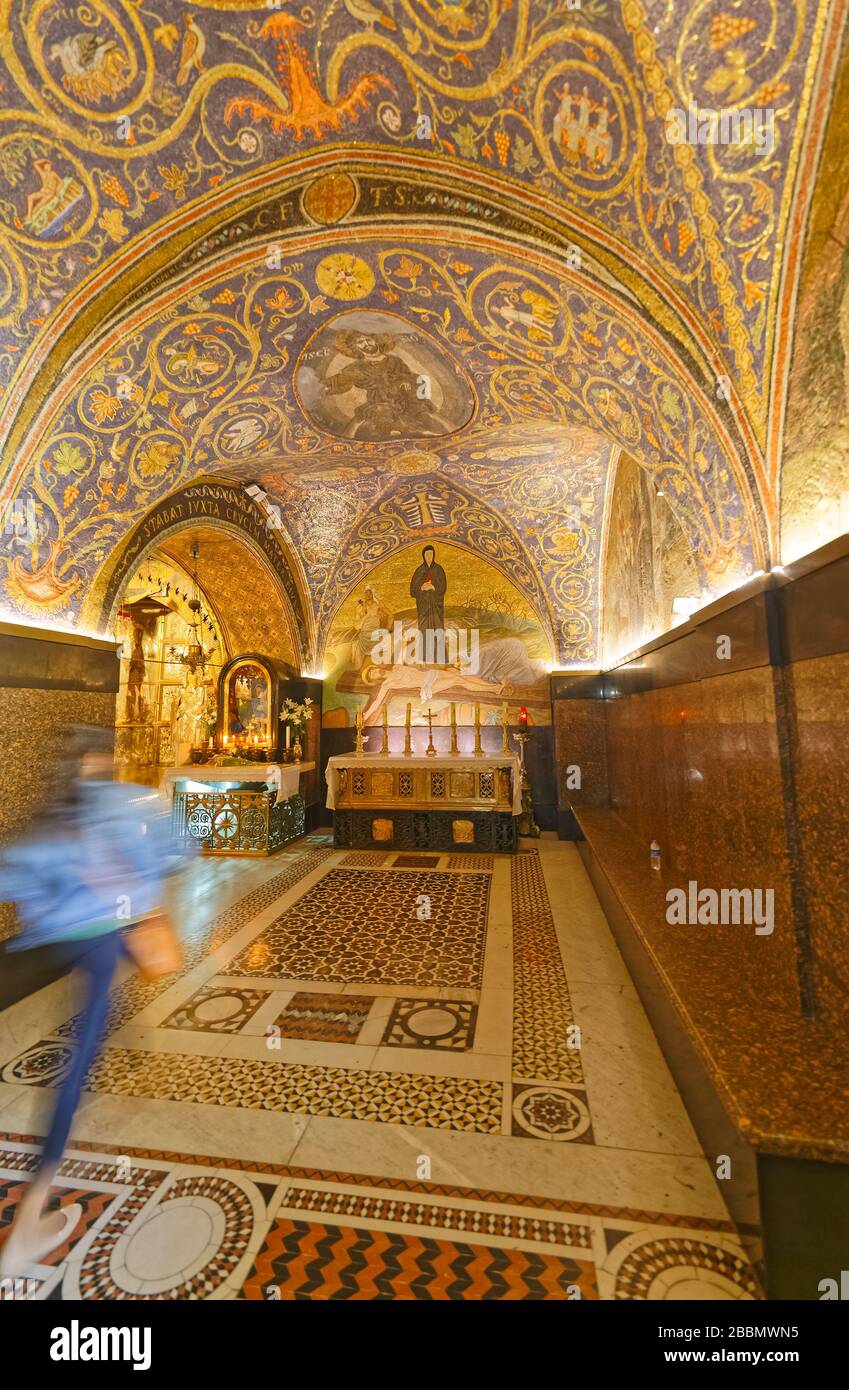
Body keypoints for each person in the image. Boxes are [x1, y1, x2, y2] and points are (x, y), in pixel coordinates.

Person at [0, 726, 189, 1276]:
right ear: (102, 759)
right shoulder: (128, 800)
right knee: (80, 1060)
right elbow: (179, 847)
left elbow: (12, 872)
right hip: (106, 936)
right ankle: (30, 1217)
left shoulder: (49, 821)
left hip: (52, 941)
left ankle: (31, 1218)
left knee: (87, 1044)